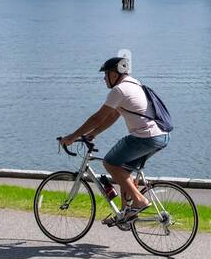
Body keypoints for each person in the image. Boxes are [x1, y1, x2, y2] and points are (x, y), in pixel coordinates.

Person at [60, 57, 168, 227]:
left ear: (114, 74)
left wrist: (72, 136)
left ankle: (139, 200)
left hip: (145, 137)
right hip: (160, 136)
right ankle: (126, 212)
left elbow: (98, 117)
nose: (104, 78)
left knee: (110, 163)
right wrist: (94, 133)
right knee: (124, 170)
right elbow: (113, 115)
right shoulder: (135, 84)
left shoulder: (119, 90)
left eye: (105, 74)